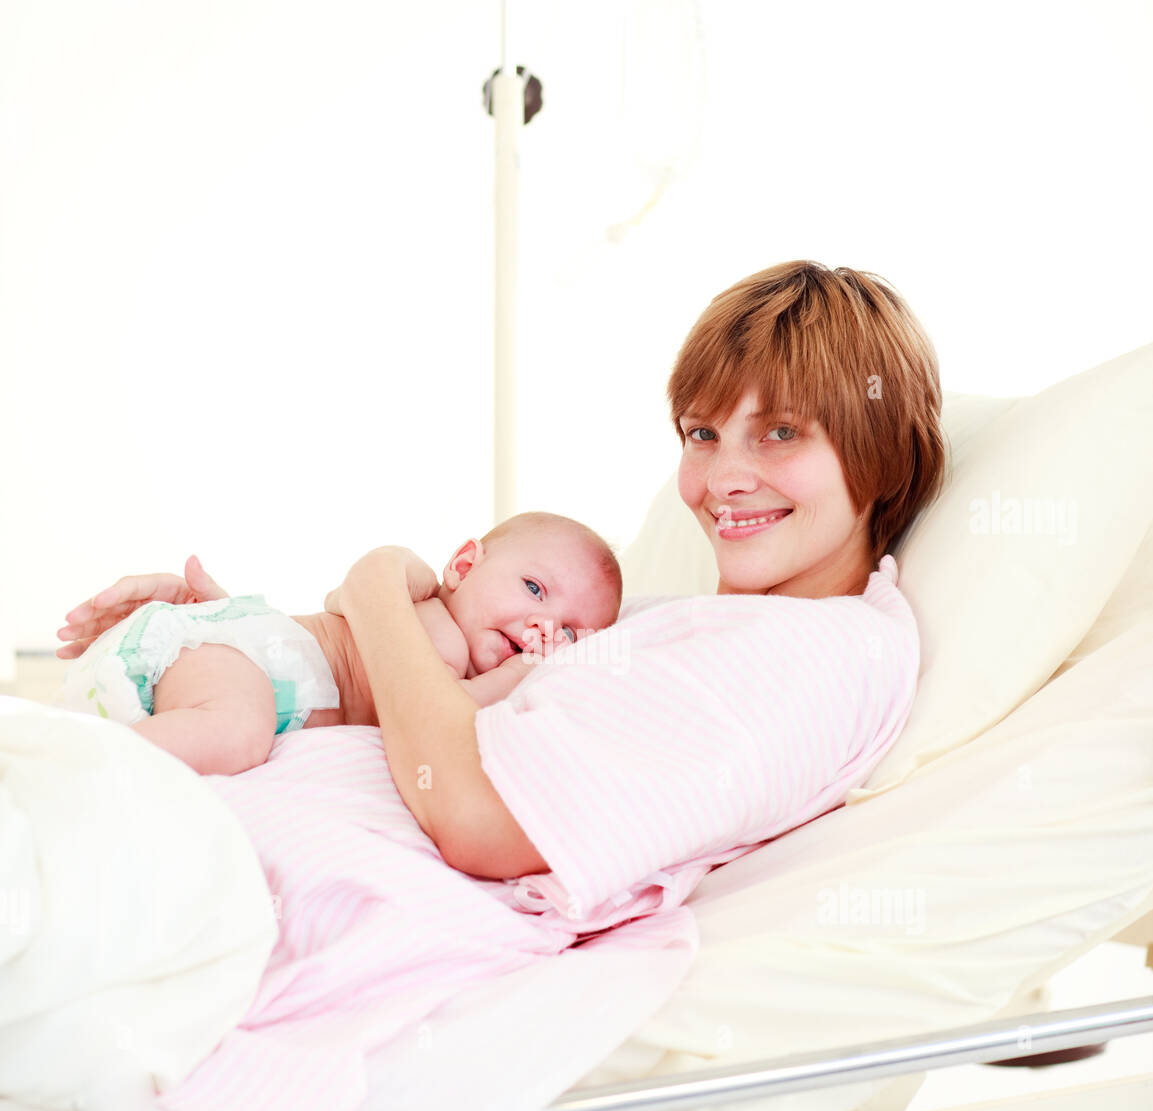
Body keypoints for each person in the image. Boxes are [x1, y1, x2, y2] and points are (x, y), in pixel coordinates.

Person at [55, 259, 945, 894]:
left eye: (780, 432)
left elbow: (478, 819)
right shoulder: (686, 621)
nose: (721, 479)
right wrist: (242, 633)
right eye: (701, 433)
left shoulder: (816, 653)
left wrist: (369, 594)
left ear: (879, 456)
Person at [53, 511, 621, 776]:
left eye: (567, 632)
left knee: (232, 725)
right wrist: (520, 673)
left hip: (244, 656)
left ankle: (81, 749)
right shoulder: (437, 633)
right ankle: (70, 765)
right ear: (465, 563)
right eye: (533, 588)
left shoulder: (424, 625)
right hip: (237, 656)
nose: (539, 628)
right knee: (236, 731)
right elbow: (449, 714)